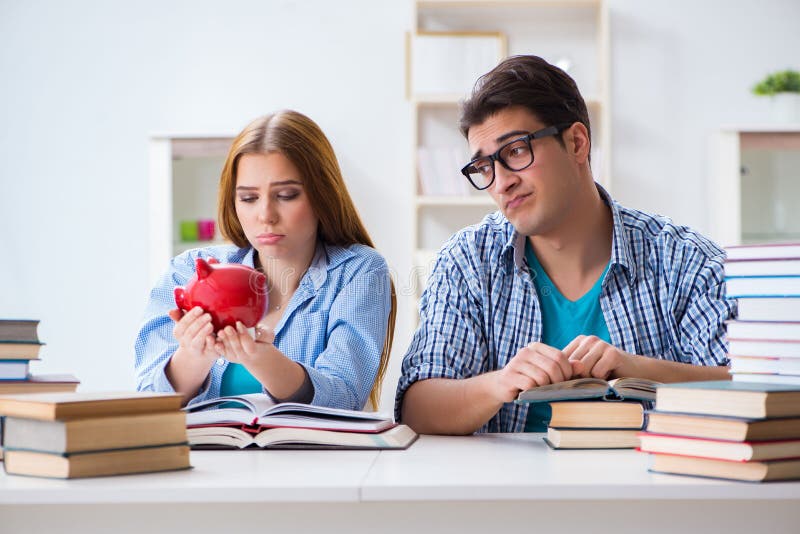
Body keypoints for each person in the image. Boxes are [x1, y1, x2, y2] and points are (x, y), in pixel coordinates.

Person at [397, 55, 736, 434]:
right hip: (509, 491)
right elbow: (417, 409)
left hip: (652, 488)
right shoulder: (468, 262)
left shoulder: (685, 261)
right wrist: (499, 384)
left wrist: (639, 370)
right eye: (485, 167)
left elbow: (757, 391)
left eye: (516, 151)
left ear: (576, 143)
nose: (500, 182)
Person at [135, 110, 396, 411]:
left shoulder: (358, 271)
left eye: (286, 195)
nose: (265, 216)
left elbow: (346, 396)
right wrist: (193, 356)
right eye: (248, 198)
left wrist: (261, 359)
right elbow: (147, 400)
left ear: (322, 194)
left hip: (309, 459)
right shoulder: (187, 272)